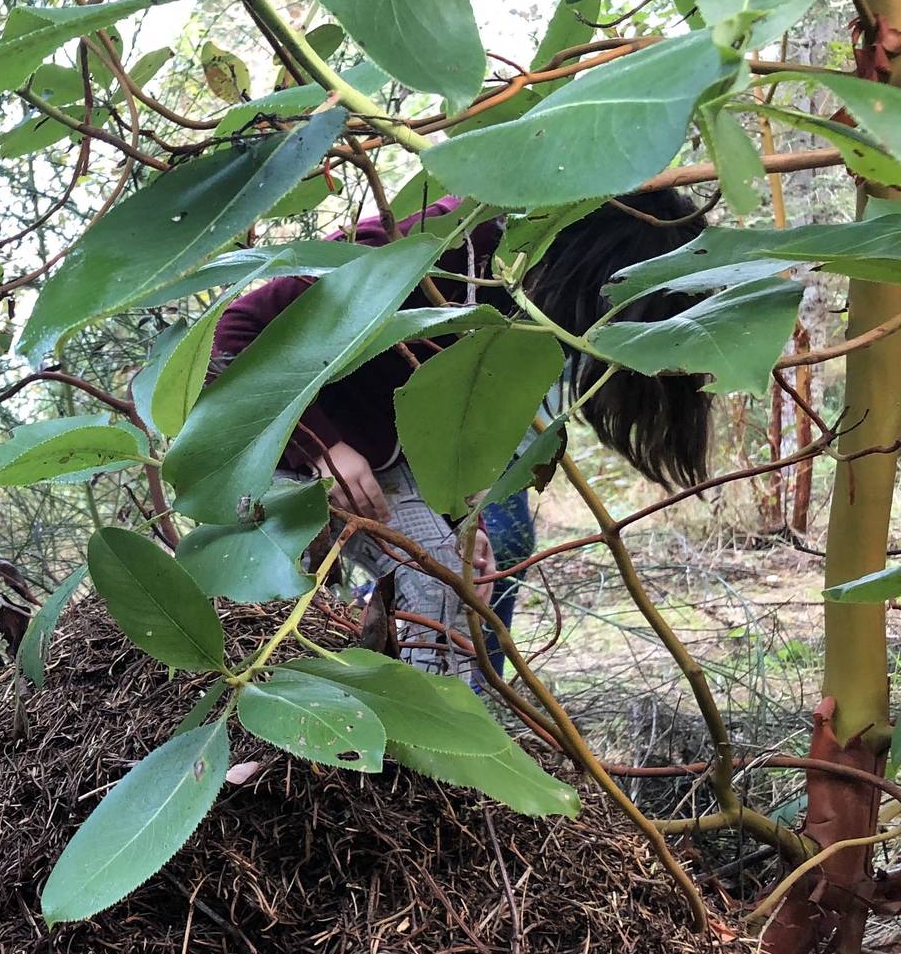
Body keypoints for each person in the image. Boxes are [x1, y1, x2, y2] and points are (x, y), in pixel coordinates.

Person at [208, 189, 712, 680]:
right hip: (274, 448)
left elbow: (451, 424)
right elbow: (233, 332)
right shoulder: (429, 249)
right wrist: (321, 447)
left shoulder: (530, 308)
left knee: (450, 584)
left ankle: (425, 724)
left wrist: (467, 525)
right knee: (268, 603)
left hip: (382, 463)